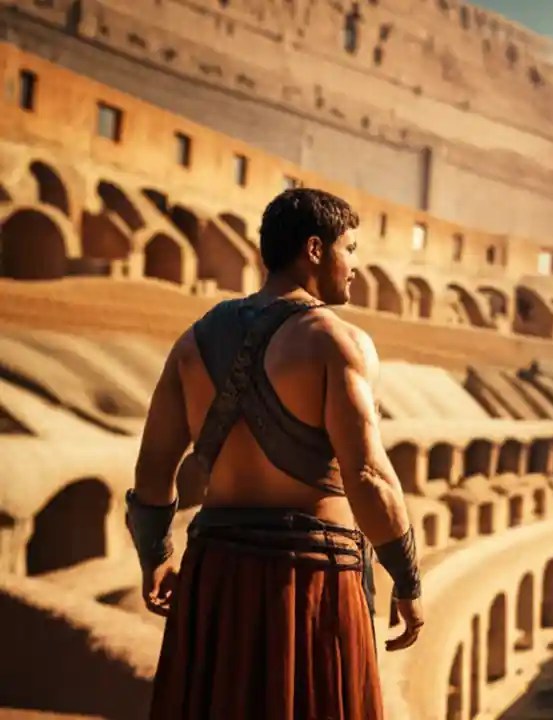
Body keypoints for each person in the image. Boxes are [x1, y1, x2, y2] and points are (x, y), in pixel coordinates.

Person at [125, 188, 425, 719]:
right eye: (350, 249)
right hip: (309, 583)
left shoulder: (192, 342)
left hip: (215, 579)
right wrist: (407, 578)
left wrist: (156, 557)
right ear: (315, 249)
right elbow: (368, 478)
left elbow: (152, 471)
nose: (355, 266)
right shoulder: (336, 341)